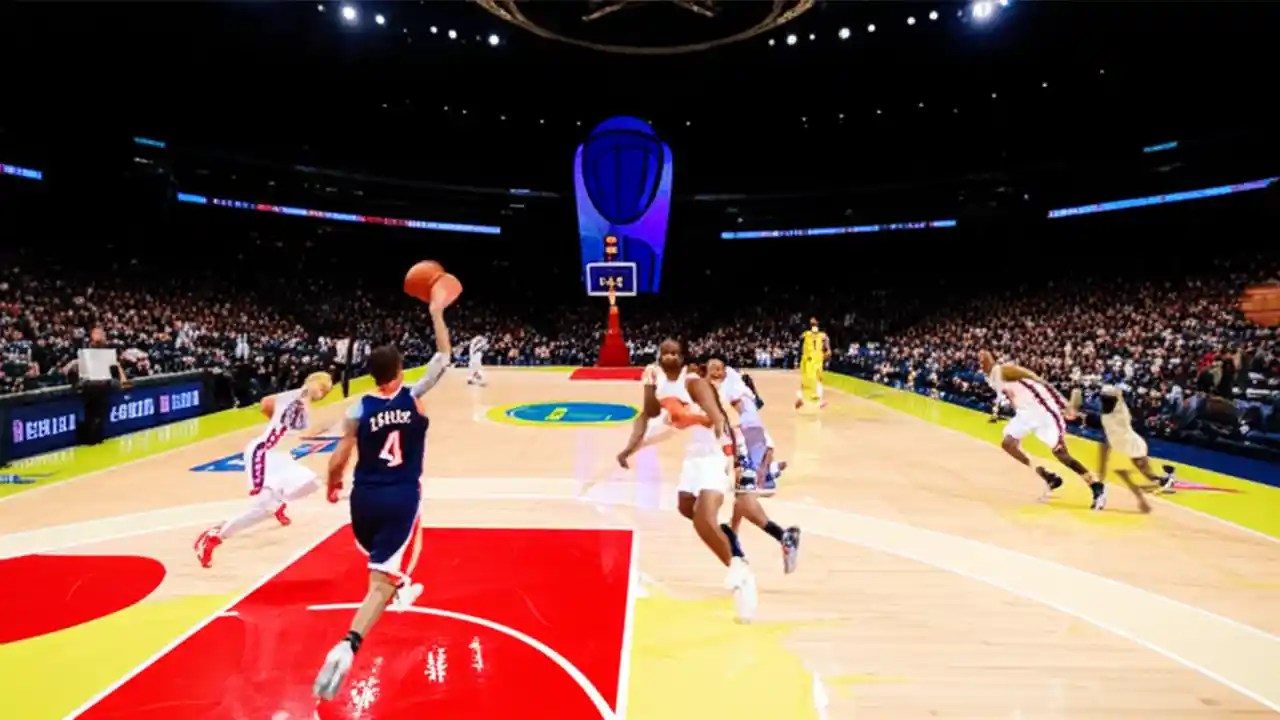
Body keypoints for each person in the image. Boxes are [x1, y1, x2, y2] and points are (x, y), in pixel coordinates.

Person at [313, 287, 453, 701]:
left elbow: (339, 458)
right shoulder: (414, 395)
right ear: (401, 370)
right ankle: (348, 645)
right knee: (381, 582)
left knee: (381, 565)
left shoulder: (358, 408)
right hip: (401, 499)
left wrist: (334, 484)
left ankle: (399, 583)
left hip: (363, 502)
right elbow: (444, 358)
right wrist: (436, 313)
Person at [616, 339, 757, 622]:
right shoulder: (661, 385)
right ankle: (732, 550)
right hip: (696, 454)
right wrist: (631, 448)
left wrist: (730, 453)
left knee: (703, 517)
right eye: (664, 353)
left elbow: (717, 416)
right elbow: (652, 418)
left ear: (683, 358)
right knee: (686, 507)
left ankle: (739, 569)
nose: (669, 357)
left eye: (675, 353)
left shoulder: (693, 381)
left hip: (718, 452)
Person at [194, 371, 334, 568]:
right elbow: (266, 402)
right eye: (323, 389)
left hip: (280, 456)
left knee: (312, 483)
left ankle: (277, 503)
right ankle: (213, 536)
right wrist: (274, 424)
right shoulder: (297, 395)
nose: (323, 394)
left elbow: (297, 428)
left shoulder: (305, 403)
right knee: (262, 508)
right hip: (263, 453)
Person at [979, 350, 1108, 510]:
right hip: (1025, 413)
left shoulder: (1003, 370)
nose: (981, 363)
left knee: (1062, 454)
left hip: (1044, 410)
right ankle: (1047, 476)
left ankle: (1096, 486)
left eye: (984, 358)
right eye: (979, 361)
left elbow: (1036, 379)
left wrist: (1063, 404)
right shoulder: (991, 379)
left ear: (992, 359)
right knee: (1008, 444)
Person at [707, 357, 801, 574]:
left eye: (716, 369)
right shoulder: (734, 382)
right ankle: (735, 537)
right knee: (742, 495)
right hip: (749, 437)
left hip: (745, 437)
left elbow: (724, 416)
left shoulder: (727, 388)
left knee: (744, 497)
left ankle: (783, 536)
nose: (714, 372)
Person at [1097, 385, 1176, 499]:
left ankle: (1167, 479)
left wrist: (1115, 390)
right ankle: (1165, 478)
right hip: (1121, 444)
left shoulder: (1120, 409)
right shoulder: (1105, 413)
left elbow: (1118, 395)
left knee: (1147, 473)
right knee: (1145, 472)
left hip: (1134, 445)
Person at [796, 317, 830, 409]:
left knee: (812, 381)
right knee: (811, 381)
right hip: (812, 360)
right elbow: (827, 347)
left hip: (813, 360)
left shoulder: (807, 334)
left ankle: (802, 398)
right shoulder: (820, 335)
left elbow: (800, 341)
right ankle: (803, 398)